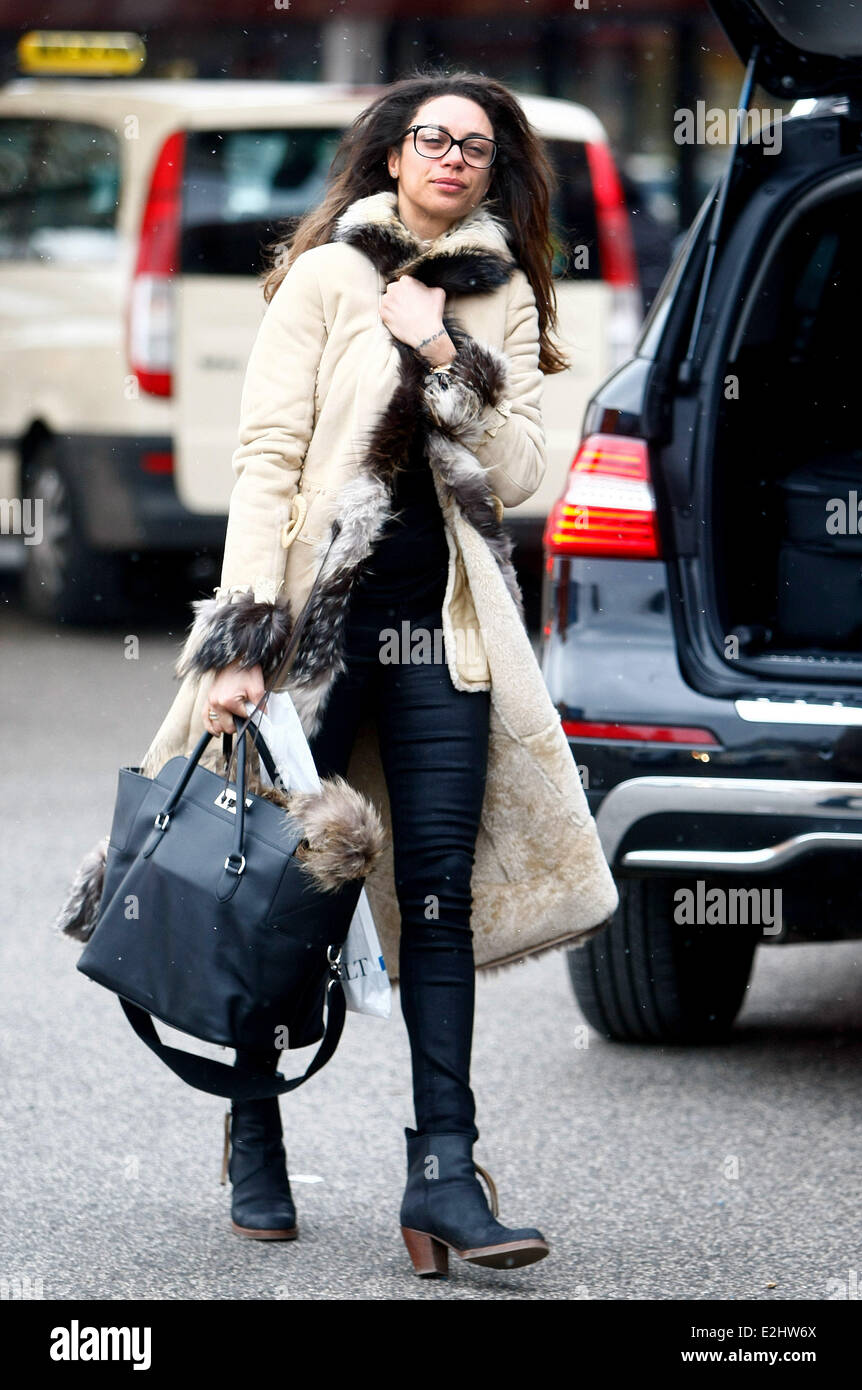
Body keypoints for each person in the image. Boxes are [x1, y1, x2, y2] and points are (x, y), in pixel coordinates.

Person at [52, 66, 618, 1279]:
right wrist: (241, 648)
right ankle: (252, 1123)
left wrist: (442, 349)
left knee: (435, 904)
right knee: (275, 890)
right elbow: (266, 456)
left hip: (444, 641)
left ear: (493, 169)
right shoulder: (323, 278)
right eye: (431, 138)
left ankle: (444, 1174)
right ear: (394, 153)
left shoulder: (502, 292)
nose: (451, 158)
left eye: (474, 145)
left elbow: (518, 466)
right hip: (314, 636)